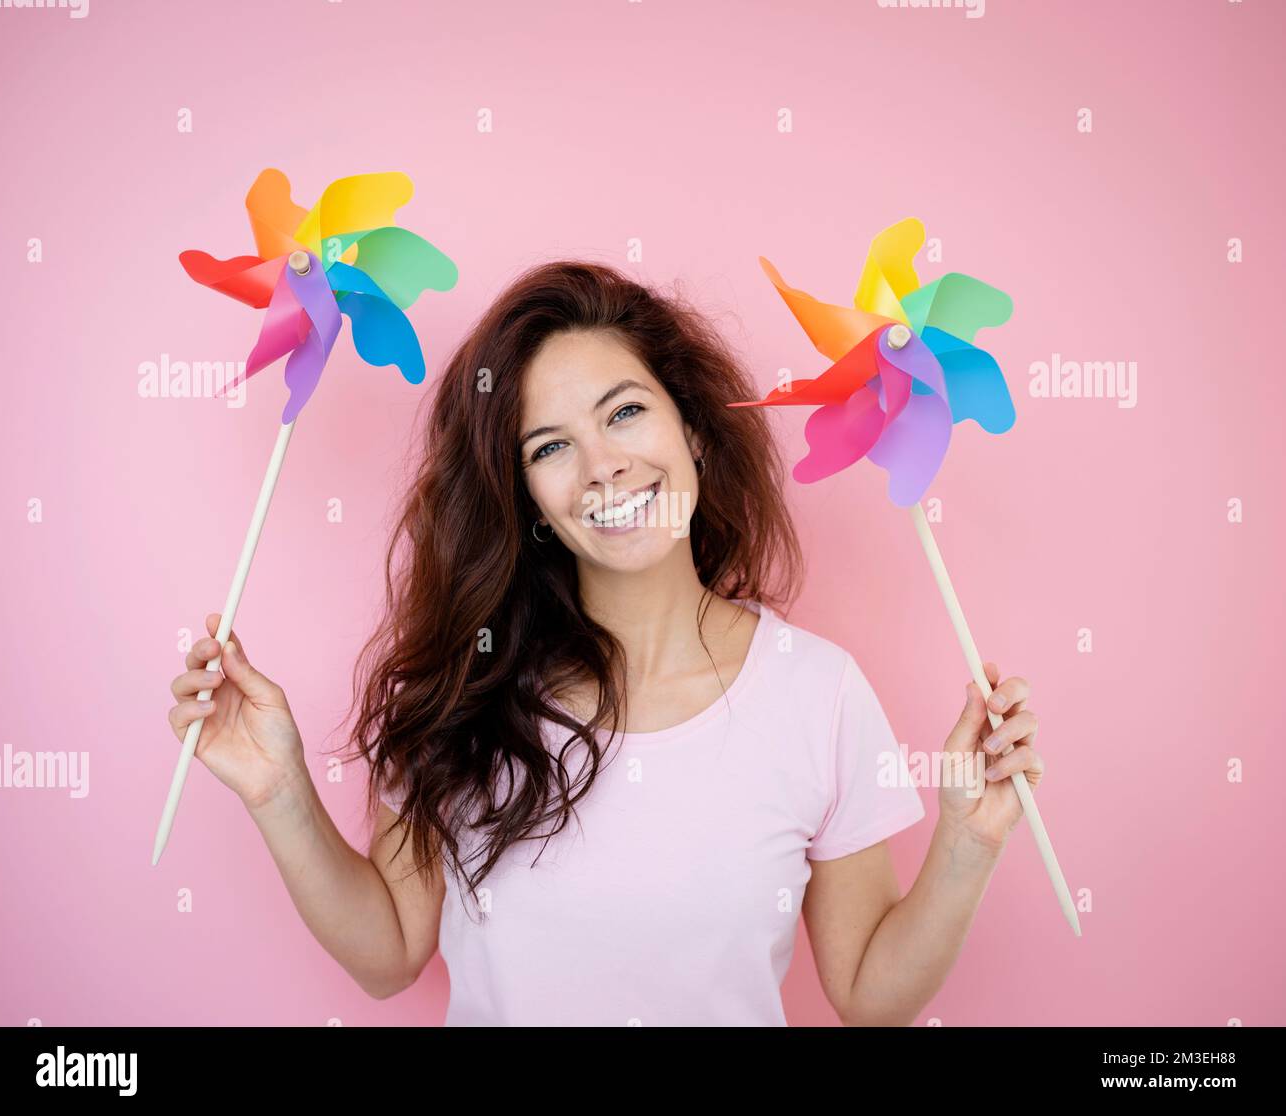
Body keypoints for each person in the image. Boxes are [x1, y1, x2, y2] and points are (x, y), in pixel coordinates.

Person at [167, 261, 1045, 1026]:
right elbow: (389, 952)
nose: (601, 467)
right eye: (551, 446)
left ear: (692, 429)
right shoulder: (466, 690)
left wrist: (966, 842)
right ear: (527, 500)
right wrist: (280, 790)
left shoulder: (819, 693)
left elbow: (866, 995)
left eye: (624, 412)